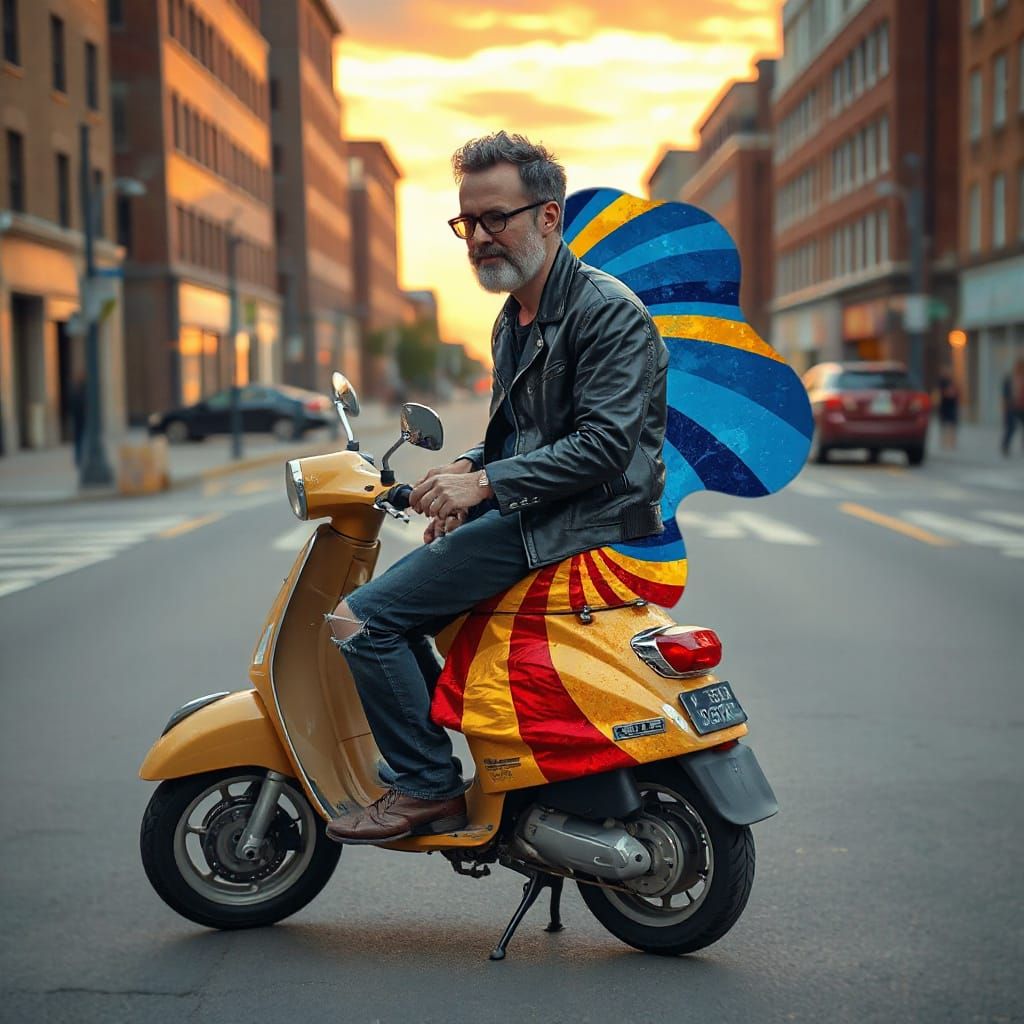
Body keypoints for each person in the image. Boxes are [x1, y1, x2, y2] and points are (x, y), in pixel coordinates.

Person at [323, 131, 669, 844]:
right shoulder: (514, 318)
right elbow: (521, 434)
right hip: (542, 510)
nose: (479, 237)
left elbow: (605, 447)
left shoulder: (606, 311)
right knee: (405, 615)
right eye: (468, 222)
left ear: (549, 216)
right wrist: (466, 468)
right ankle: (448, 765)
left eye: (496, 218)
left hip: (584, 520)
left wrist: (486, 486)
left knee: (362, 620)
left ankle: (426, 785)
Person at [1002, 357, 1024, 456]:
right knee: (1011, 428)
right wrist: (1004, 407)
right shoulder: (1009, 379)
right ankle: (1005, 446)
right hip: (1012, 406)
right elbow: (1005, 394)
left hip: (1022, 407)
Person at [936, 367, 959, 451]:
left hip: (951, 406)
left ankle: (952, 443)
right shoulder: (941, 383)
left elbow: (956, 393)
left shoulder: (951, 382)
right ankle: (944, 442)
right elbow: (940, 394)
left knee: (952, 425)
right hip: (944, 406)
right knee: (944, 426)